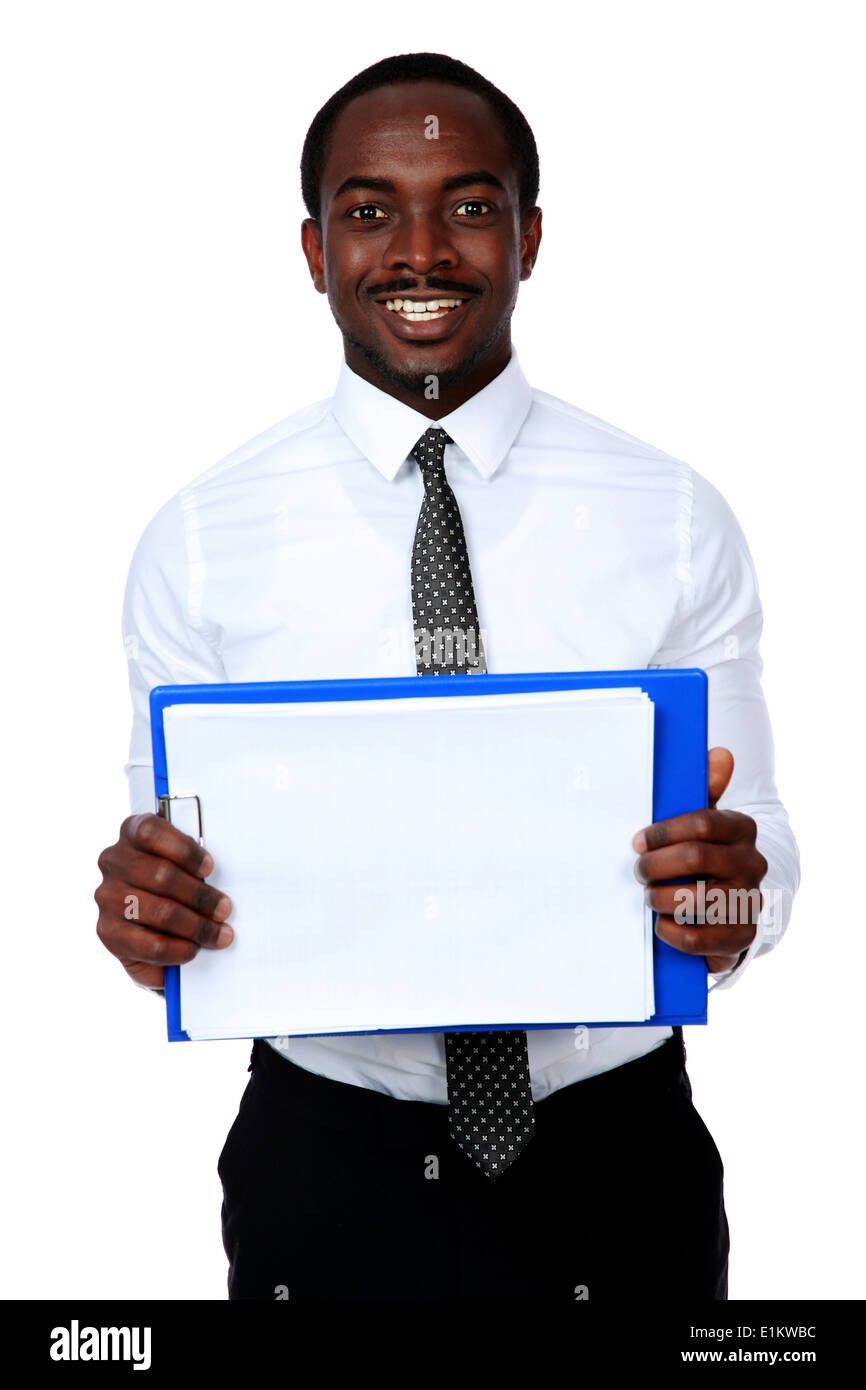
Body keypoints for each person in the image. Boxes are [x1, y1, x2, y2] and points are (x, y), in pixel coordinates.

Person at [94, 52, 800, 1302]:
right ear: (313, 251)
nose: (420, 251)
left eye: (468, 206)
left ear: (528, 237)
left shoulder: (672, 516)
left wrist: (733, 906)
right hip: (324, 1154)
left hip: (616, 1148)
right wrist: (154, 914)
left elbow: (762, 851)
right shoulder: (199, 539)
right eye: (368, 211)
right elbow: (180, 860)